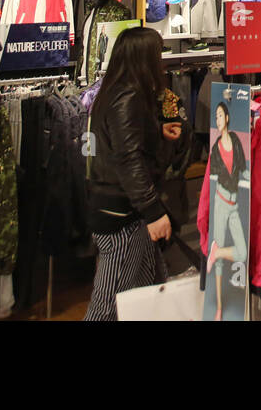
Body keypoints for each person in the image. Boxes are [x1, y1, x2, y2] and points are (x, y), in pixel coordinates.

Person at [84, 26, 185, 321]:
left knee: (145, 296)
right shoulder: (126, 97)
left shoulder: (115, 91)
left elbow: (122, 145)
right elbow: (128, 159)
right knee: (109, 305)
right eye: (157, 53)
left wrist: (158, 131)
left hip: (121, 209)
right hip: (122, 215)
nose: (161, 60)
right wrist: (153, 211)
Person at [205, 100, 247, 321]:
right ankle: (219, 308)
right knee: (219, 263)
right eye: (216, 116)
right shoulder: (214, 149)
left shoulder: (238, 143)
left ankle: (217, 251)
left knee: (242, 252)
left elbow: (242, 171)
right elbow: (212, 180)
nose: (218, 119)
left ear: (228, 118)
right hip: (221, 201)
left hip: (234, 204)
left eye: (221, 115)